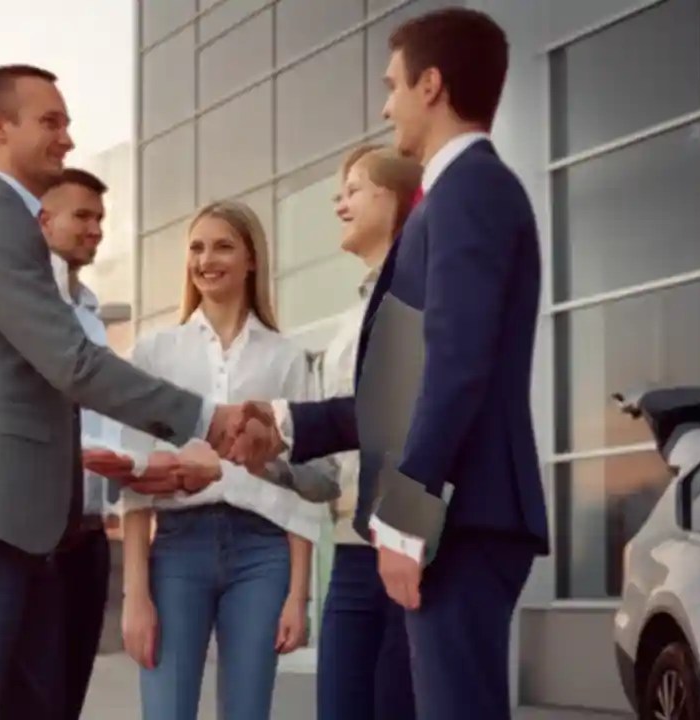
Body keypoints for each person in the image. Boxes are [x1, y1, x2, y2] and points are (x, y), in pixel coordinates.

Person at [0, 64, 248, 720]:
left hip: (15, 522)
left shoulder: (10, 223)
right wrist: (206, 417)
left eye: (67, 122)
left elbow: (50, 382)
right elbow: (73, 364)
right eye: (50, 121)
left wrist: (147, 465)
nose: (67, 138)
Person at [231, 9, 549, 719]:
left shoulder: (471, 190)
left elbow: (457, 366)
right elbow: (399, 392)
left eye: (392, 85)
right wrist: (283, 421)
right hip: (452, 519)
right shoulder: (449, 201)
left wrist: (406, 521)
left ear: (430, 85)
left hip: (459, 521)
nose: (384, 105)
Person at [113, 200, 328, 720]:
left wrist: (298, 594)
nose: (207, 259)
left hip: (263, 553)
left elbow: (302, 482)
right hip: (177, 552)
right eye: (197, 247)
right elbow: (135, 482)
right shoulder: (156, 352)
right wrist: (135, 595)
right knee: (166, 712)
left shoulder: (286, 357)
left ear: (252, 259)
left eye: (223, 246)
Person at [315, 144, 422, 720]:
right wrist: (261, 459)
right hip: (353, 552)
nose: (340, 204)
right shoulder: (349, 320)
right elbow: (339, 451)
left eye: (353, 189)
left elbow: (413, 416)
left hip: (409, 545)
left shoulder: (422, 293)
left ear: (395, 199)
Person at [38, 166, 120, 720]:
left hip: (89, 534)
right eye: (82, 216)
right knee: (31, 698)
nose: (94, 230)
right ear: (42, 221)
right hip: (36, 535)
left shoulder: (92, 316)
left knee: (68, 699)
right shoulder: (24, 304)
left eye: (100, 219)